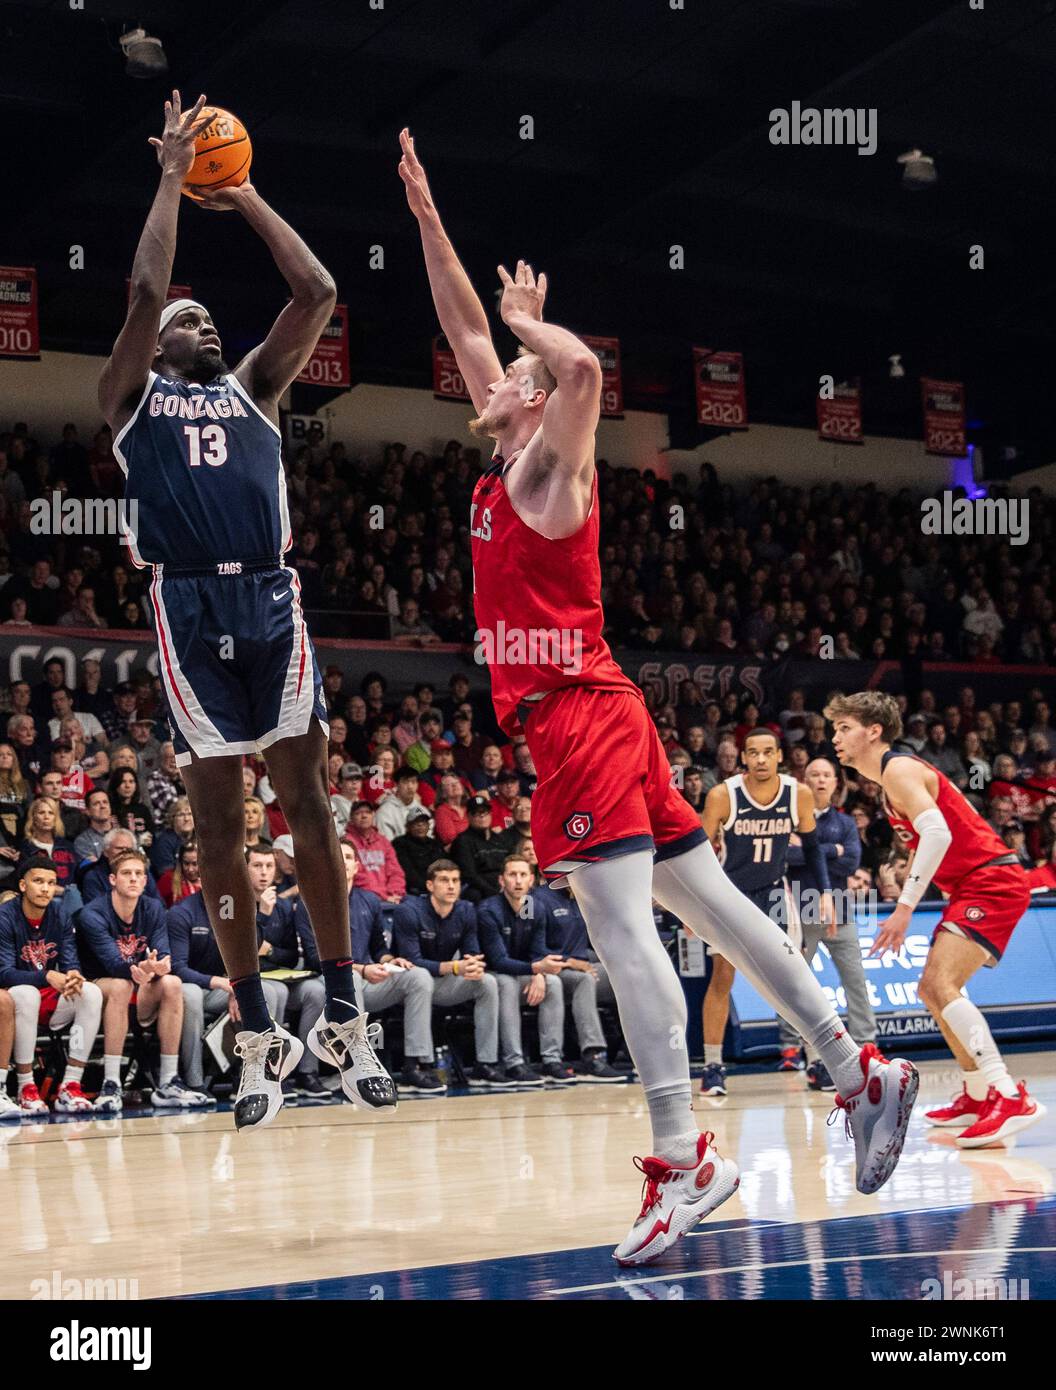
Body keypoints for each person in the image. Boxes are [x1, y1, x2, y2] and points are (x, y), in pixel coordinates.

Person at [401, 126, 915, 1266]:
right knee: (717, 911)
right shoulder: (506, 446)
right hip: (604, 712)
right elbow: (468, 329)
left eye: (514, 377)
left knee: (625, 935)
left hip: (579, 720)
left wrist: (541, 336)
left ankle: (685, 1155)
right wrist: (429, 218)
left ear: (534, 401)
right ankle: (858, 1069)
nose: (492, 377)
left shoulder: (551, 468)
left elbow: (580, 374)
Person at [98, 89, 393, 1129]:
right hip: (185, 604)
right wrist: (173, 179)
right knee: (220, 823)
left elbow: (317, 289)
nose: (203, 322)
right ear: (158, 347)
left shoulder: (258, 387)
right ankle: (258, 1027)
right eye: (190, 322)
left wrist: (247, 193)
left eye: (208, 316)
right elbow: (144, 288)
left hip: (269, 592)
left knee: (309, 802)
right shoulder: (132, 399)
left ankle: (345, 1014)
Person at [828, 691, 1044, 1148]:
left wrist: (905, 907)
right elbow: (936, 839)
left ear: (874, 731)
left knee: (941, 985)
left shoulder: (899, 770)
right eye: (835, 729)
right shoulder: (890, 781)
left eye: (844, 728)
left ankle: (1008, 1095)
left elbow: (938, 833)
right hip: (973, 883)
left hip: (991, 879)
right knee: (931, 988)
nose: (835, 738)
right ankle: (978, 1094)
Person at [699, 730, 833, 1093]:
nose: (760, 759)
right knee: (723, 976)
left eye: (767, 752)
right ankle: (712, 1067)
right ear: (743, 757)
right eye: (753, 752)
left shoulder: (798, 793)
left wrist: (825, 893)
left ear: (779, 756)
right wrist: (693, 905)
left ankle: (816, 1061)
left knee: (796, 977)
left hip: (774, 893)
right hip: (731, 896)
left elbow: (813, 848)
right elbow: (698, 852)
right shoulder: (722, 795)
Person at [298, 843, 442, 1095]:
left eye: (348, 857)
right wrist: (363, 969)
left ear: (356, 866)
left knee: (419, 977)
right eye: (337, 856)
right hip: (328, 981)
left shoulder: (369, 900)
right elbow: (313, 957)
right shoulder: (310, 902)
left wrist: (390, 961)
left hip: (368, 979)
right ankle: (357, 1068)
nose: (342, 862)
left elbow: (378, 947)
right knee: (351, 978)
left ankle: (414, 1065)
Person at [77, 847, 208, 1110]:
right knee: (121, 985)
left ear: (146, 880)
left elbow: (164, 953)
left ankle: (168, 1081)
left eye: (139, 874)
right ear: (113, 879)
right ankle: (111, 1083)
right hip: (98, 989)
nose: (134, 878)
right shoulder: (92, 913)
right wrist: (142, 968)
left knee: (172, 983)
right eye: (126, 873)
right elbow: (113, 964)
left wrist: (159, 965)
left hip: (140, 984)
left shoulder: (153, 908)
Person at [781, 758, 876, 1090]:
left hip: (840, 910)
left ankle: (865, 1043)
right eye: (814, 775)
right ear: (803, 780)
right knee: (792, 982)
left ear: (836, 783)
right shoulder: (790, 819)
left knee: (855, 980)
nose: (820, 780)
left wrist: (810, 851)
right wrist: (830, 850)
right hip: (798, 910)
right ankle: (790, 1046)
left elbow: (851, 862)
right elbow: (785, 858)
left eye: (826, 775)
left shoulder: (846, 823)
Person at [0, 854, 104, 1115]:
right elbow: (5, 973)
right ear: (23, 885)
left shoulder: (60, 914)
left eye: (50, 882)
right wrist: (46, 976)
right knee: (27, 994)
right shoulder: (5, 916)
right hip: (15, 998)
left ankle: (71, 1085)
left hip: (47, 997)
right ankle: (26, 1087)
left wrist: (74, 975)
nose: (45, 888)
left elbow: (70, 961)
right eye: (38, 881)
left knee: (90, 992)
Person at [392, 859, 504, 1086]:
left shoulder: (466, 909)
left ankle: (486, 1063)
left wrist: (473, 965)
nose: (451, 886)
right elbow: (412, 961)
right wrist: (454, 967)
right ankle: (417, 1065)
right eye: (444, 880)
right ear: (430, 885)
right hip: (405, 984)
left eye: (455, 880)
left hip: (441, 984)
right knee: (421, 978)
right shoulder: (409, 910)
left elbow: (471, 950)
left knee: (488, 982)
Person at [392, 806, 437, 894]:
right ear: (408, 826)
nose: (420, 826)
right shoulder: (400, 844)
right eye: (416, 822)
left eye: (424, 822)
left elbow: (443, 866)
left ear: (428, 826)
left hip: (436, 888)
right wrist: (429, 886)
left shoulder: (435, 844)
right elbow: (408, 873)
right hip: (414, 891)